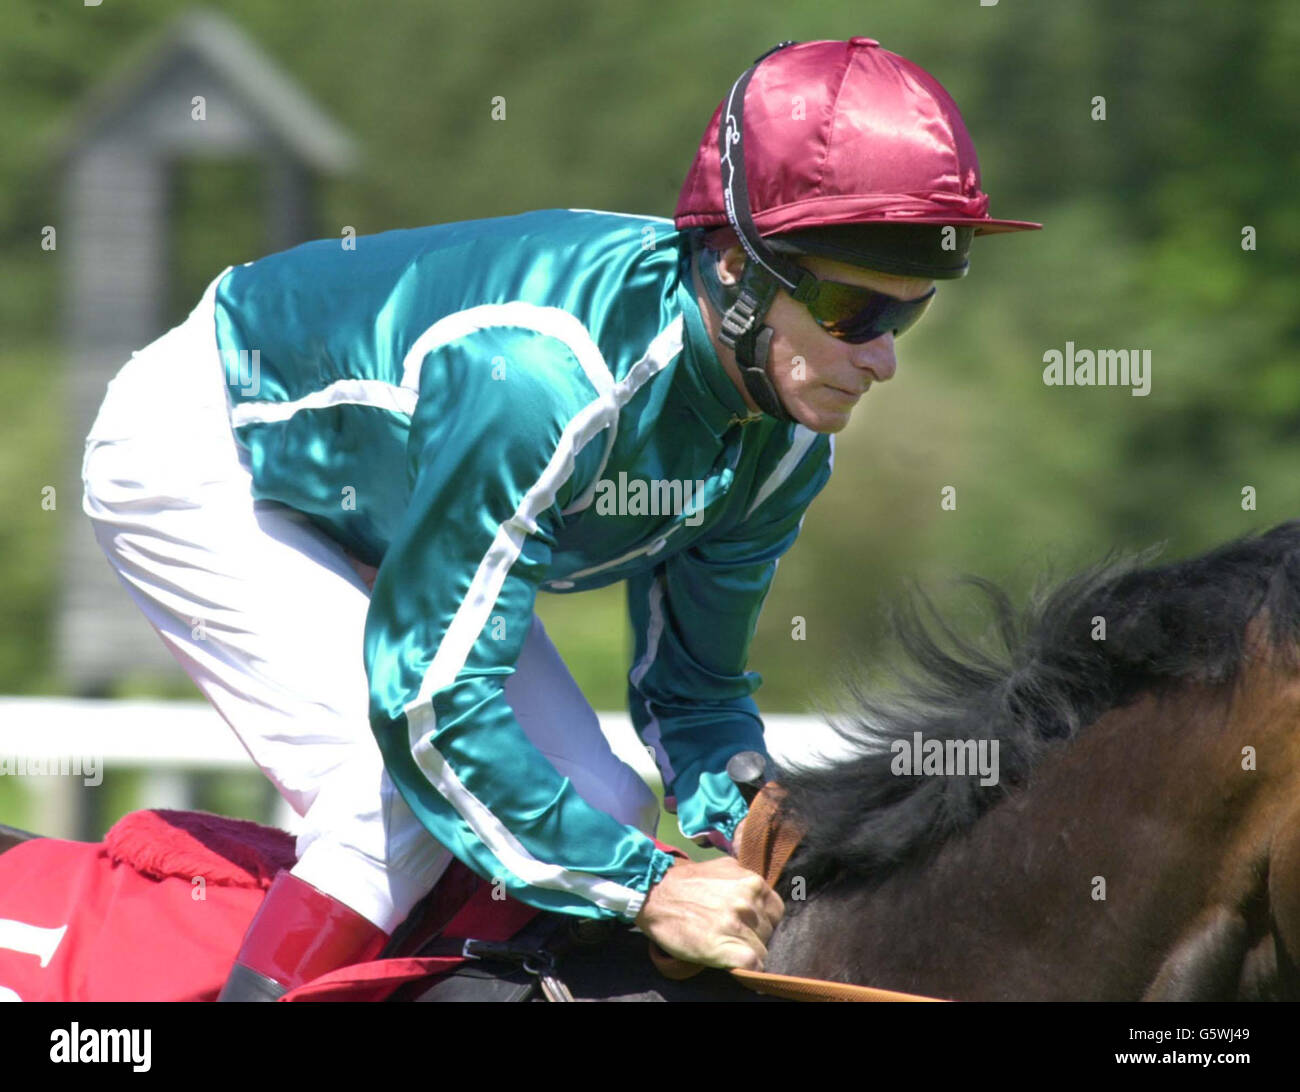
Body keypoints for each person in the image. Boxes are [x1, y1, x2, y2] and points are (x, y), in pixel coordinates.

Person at [80, 37, 1038, 1000]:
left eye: (906, 317)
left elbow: (695, 694)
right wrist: (652, 884)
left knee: (603, 801)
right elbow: (429, 710)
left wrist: (754, 814)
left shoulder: (784, 444)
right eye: (849, 311)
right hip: (208, 446)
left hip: (389, 494)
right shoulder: (543, 381)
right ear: (735, 270)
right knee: (389, 808)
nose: (882, 360)